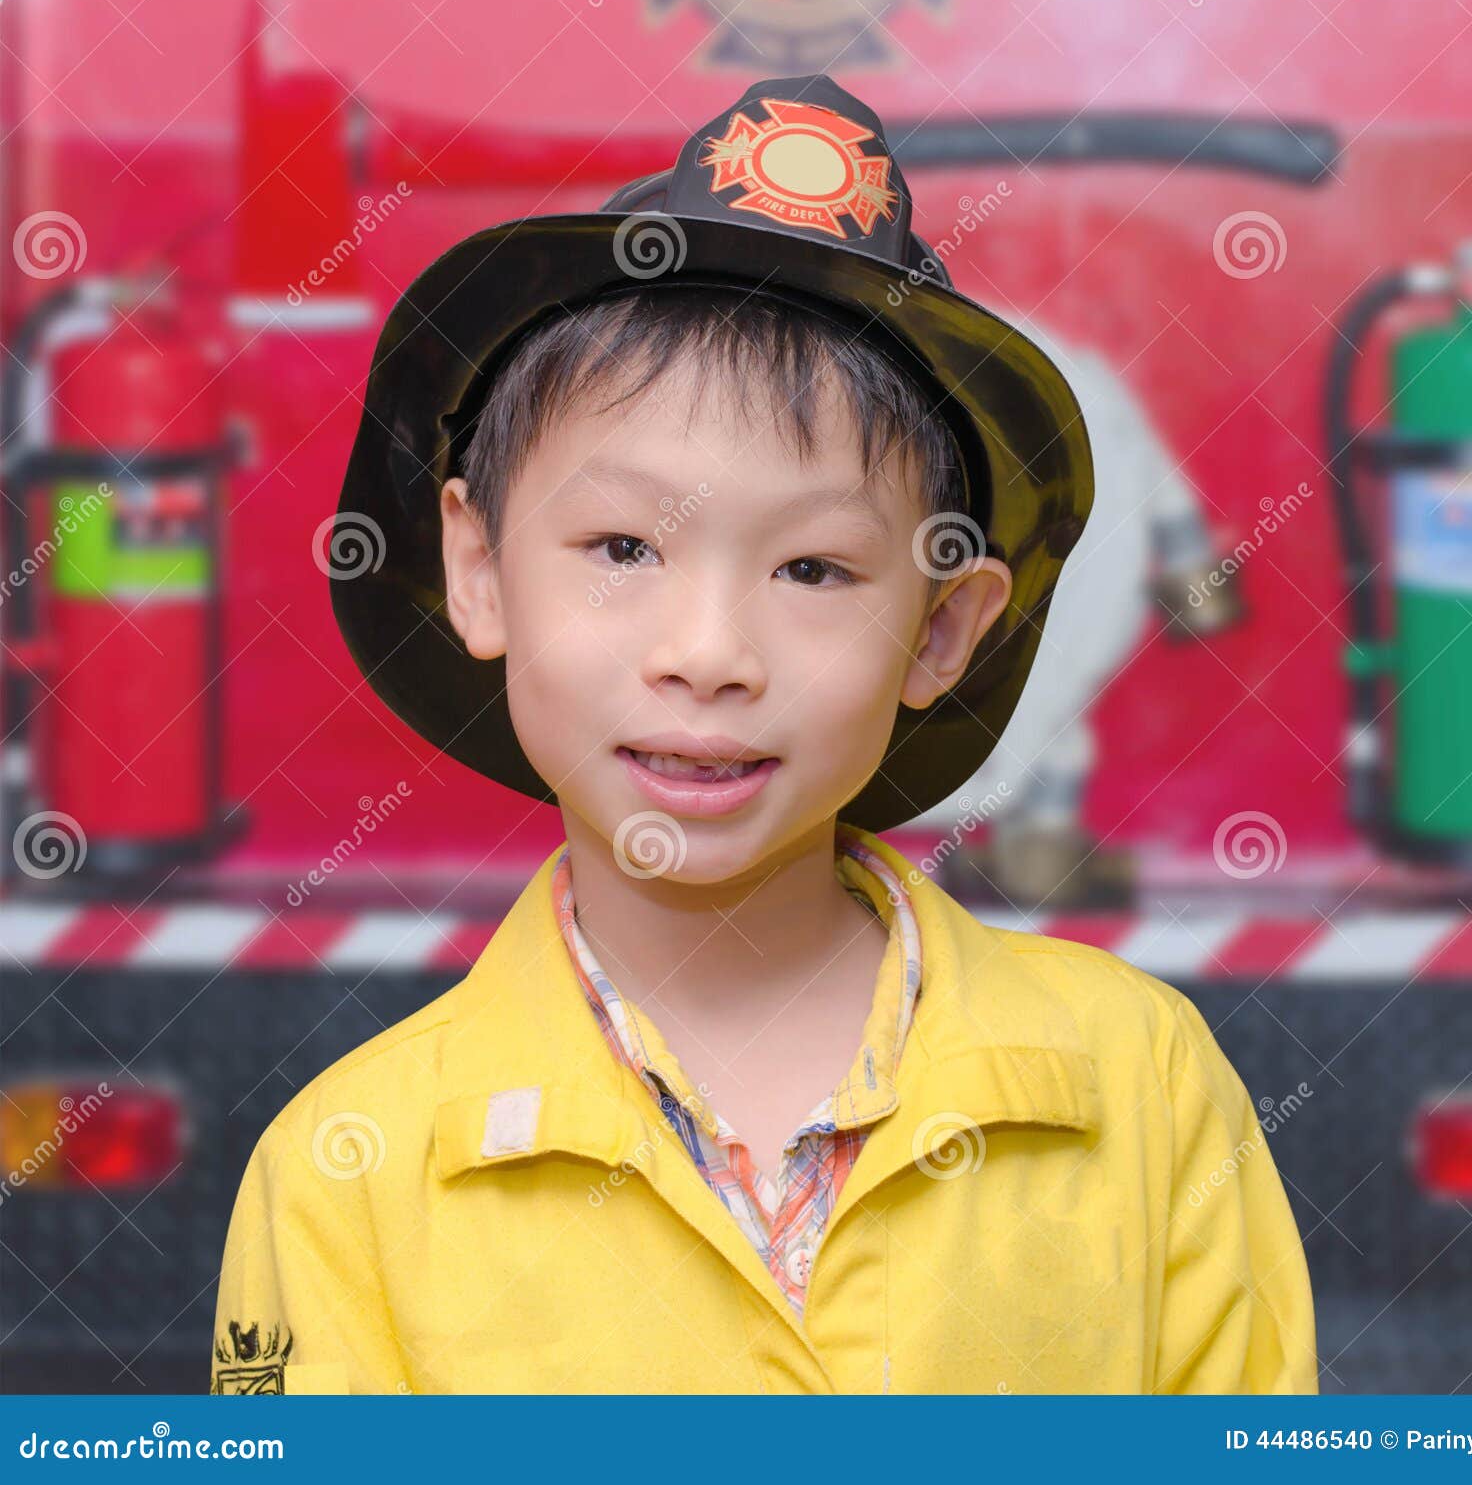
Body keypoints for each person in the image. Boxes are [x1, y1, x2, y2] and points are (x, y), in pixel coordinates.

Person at [209, 73, 1316, 1396]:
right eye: (622, 547)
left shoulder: (1138, 1086)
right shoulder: (350, 1170)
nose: (711, 656)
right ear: (480, 567)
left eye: (813, 571)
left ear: (941, 630)